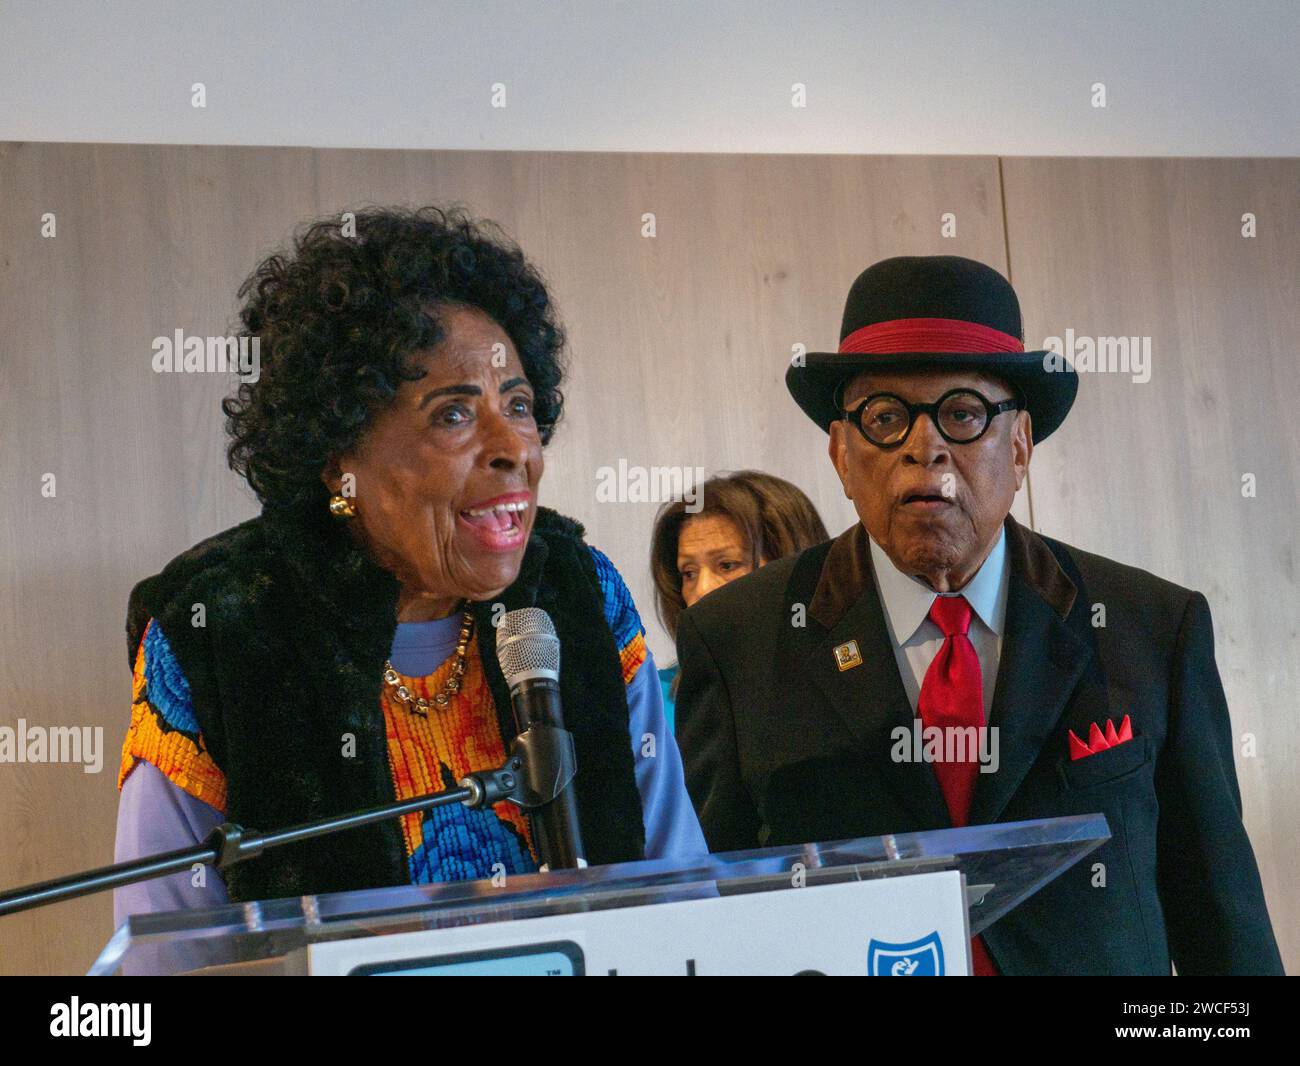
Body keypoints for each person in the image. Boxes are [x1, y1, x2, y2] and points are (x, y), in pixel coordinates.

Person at [675, 255, 1283, 975]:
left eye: (963, 413)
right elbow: (711, 921)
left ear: (1020, 446)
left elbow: (1222, 926)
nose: (923, 447)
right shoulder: (738, 641)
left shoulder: (1148, 627)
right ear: (840, 453)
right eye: (885, 417)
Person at [113, 206, 706, 928]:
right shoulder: (221, 631)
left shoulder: (578, 592)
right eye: (453, 414)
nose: (511, 446)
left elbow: (682, 892)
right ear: (338, 458)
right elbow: (169, 954)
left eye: (517, 404)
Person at [649, 471, 828, 729]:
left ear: (790, 566)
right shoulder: (653, 705)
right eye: (689, 573)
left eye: (727, 565)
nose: (701, 590)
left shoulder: (851, 679)